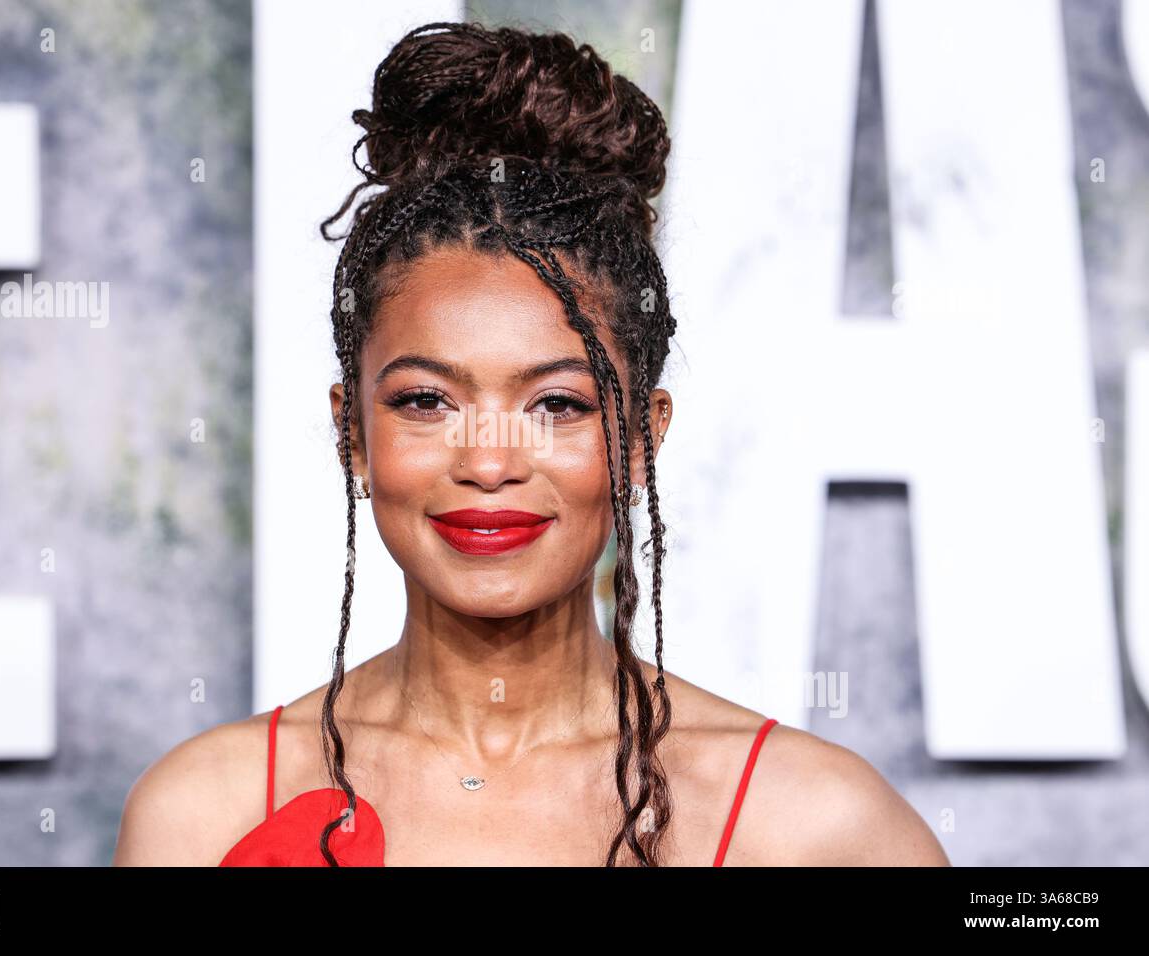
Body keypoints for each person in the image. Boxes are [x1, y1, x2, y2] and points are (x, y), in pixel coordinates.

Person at [114, 20, 950, 867]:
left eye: (556, 403)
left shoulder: (819, 827)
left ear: (639, 438)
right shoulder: (203, 815)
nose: (488, 461)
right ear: (352, 434)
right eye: (425, 400)